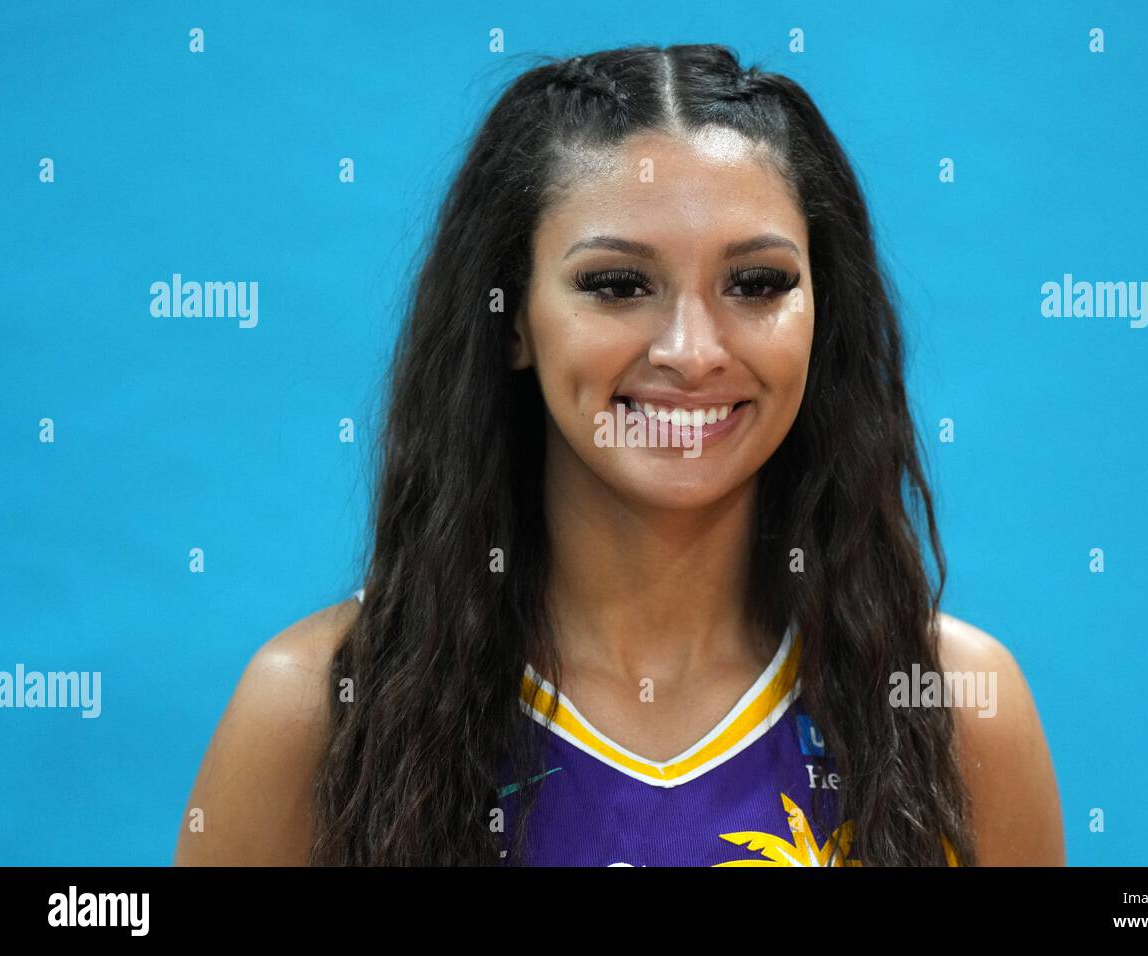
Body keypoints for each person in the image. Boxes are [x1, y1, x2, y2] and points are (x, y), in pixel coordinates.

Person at [174, 43, 1064, 867]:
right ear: (513, 318)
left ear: (820, 314)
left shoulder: (954, 706)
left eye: (756, 283)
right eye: (617, 285)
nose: (692, 349)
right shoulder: (320, 711)